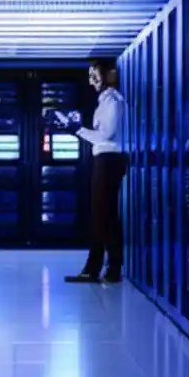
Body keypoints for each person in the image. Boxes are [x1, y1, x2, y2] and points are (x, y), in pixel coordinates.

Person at [51, 59, 127, 283]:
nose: (91, 79)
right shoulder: (105, 100)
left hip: (109, 159)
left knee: (102, 214)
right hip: (106, 158)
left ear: (108, 75)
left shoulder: (113, 101)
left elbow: (106, 135)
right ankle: (107, 268)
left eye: (96, 74)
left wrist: (77, 129)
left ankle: (97, 268)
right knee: (105, 214)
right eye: (90, 75)